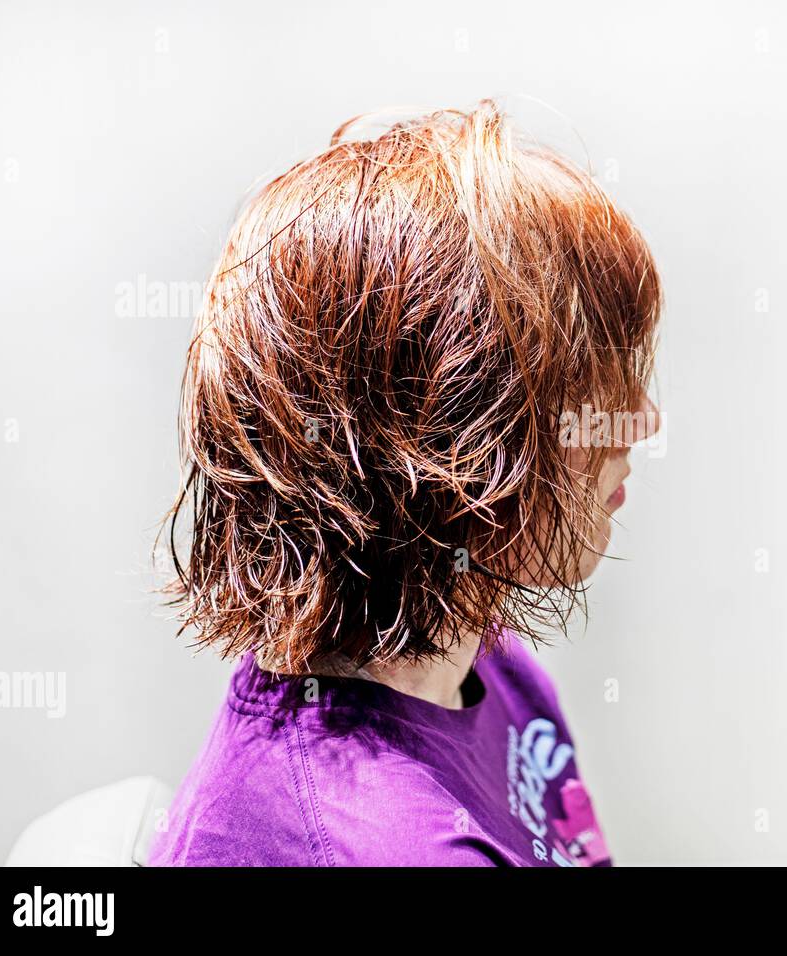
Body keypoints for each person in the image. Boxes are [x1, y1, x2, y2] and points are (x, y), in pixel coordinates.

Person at [149, 100, 661, 866]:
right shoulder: (387, 846)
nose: (640, 423)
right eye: (589, 392)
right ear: (445, 441)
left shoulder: (488, 665)